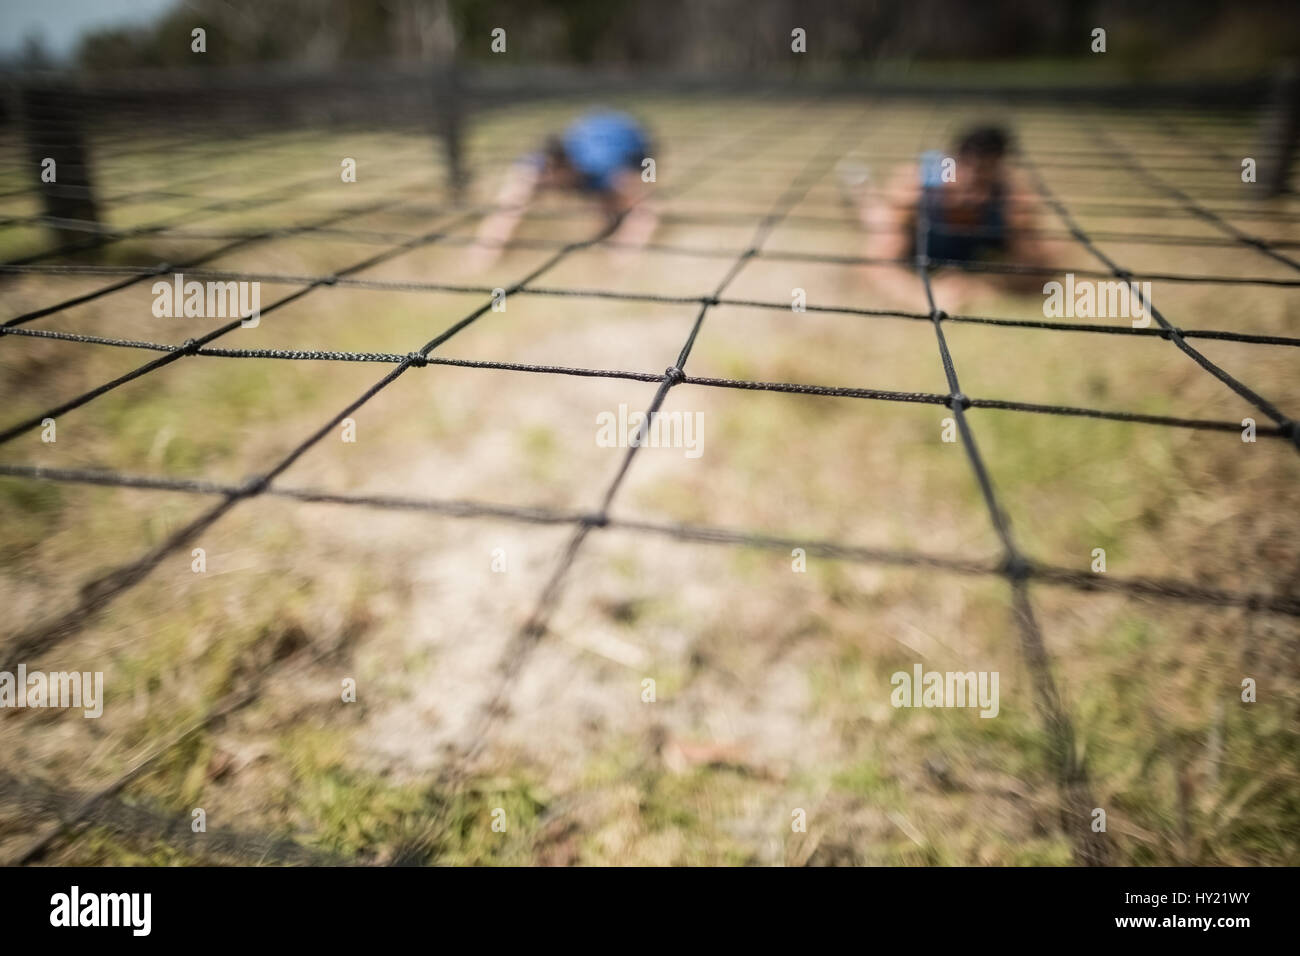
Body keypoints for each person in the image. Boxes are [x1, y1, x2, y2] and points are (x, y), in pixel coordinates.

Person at [848, 125, 1058, 309]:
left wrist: (979, 286)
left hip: (963, 250)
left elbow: (1041, 272)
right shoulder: (916, 191)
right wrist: (923, 297)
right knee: (877, 217)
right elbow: (875, 267)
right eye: (970, 178)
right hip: (921, 239)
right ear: (950, 166)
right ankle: (860, 189)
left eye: (984, 181)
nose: (977, 195)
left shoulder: (1010, 199)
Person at [468, 110, 658, 270]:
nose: (546, 181)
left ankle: (610, 241)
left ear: (567, 168)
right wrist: (485, 256)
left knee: (615, 209)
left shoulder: (605, 170)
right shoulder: (534, 169)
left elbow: (643, 212)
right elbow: (505, 212)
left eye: (552, 176)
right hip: (590, 138)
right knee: (515, 200)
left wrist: (624, 257)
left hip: (631, 141)